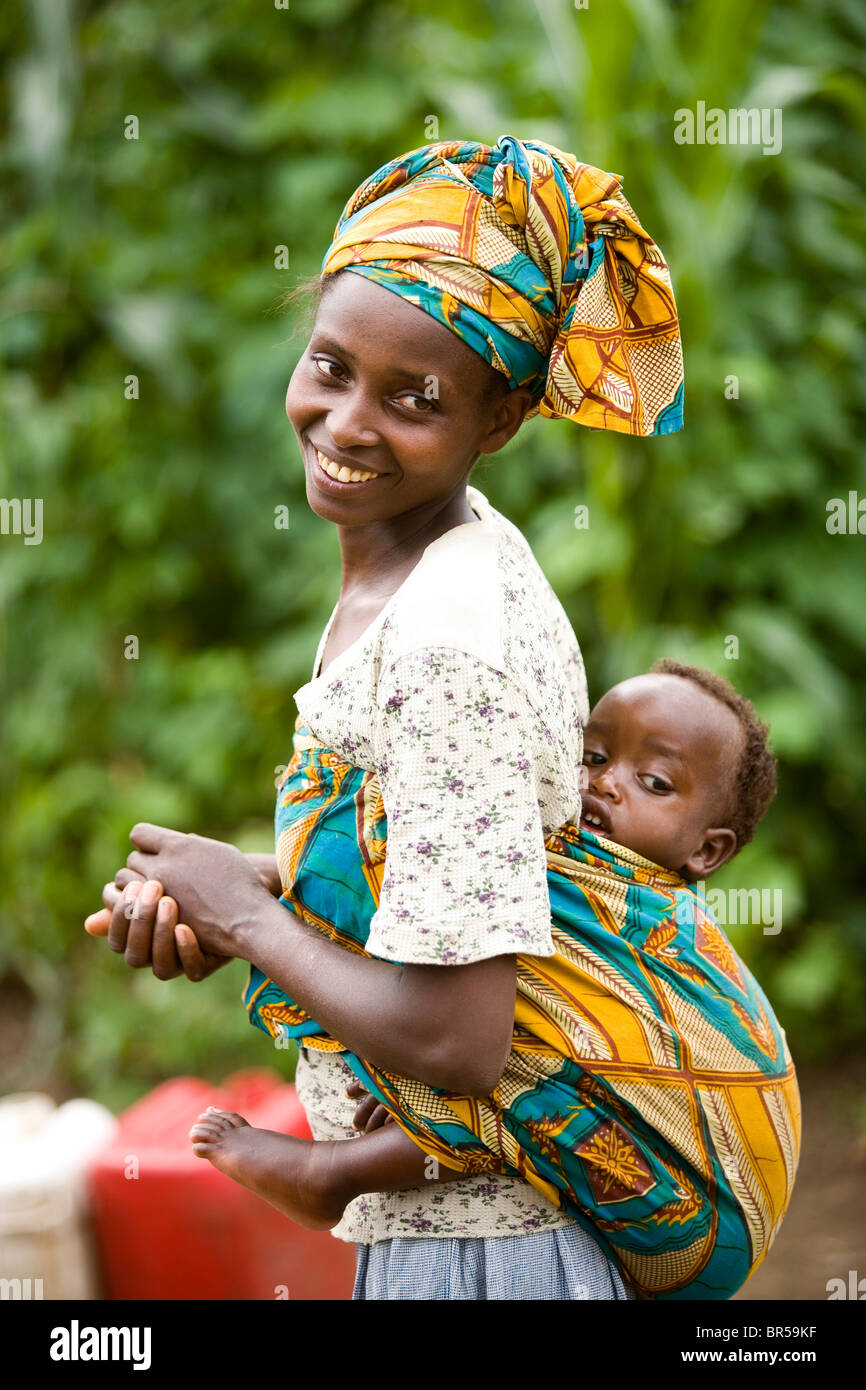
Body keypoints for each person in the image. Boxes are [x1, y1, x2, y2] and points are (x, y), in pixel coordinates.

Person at [86, 135, 693, 1300]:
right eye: (329, 367)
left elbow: (457, 1038)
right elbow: (434, 868)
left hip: (484, 1248)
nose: (348, 423)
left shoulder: (444, 645)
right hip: (458, 1229)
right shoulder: (429, 562)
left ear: (499, 419)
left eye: (414, 399)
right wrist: (244, 898)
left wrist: (251, 924)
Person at [183, 660, 800, 1301]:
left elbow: (401, 901)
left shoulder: (632, 914)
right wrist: (241, 893)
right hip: (664, 1219)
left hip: (700, 1201)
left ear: (707, 852)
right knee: (482, 1026)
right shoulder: (549, 865)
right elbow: (423, 921)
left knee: (496, 1058)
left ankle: (333, 1172)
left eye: (653, 781)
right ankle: (406, 1116)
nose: (606, 783)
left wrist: (247, 901)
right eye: (591, 755)